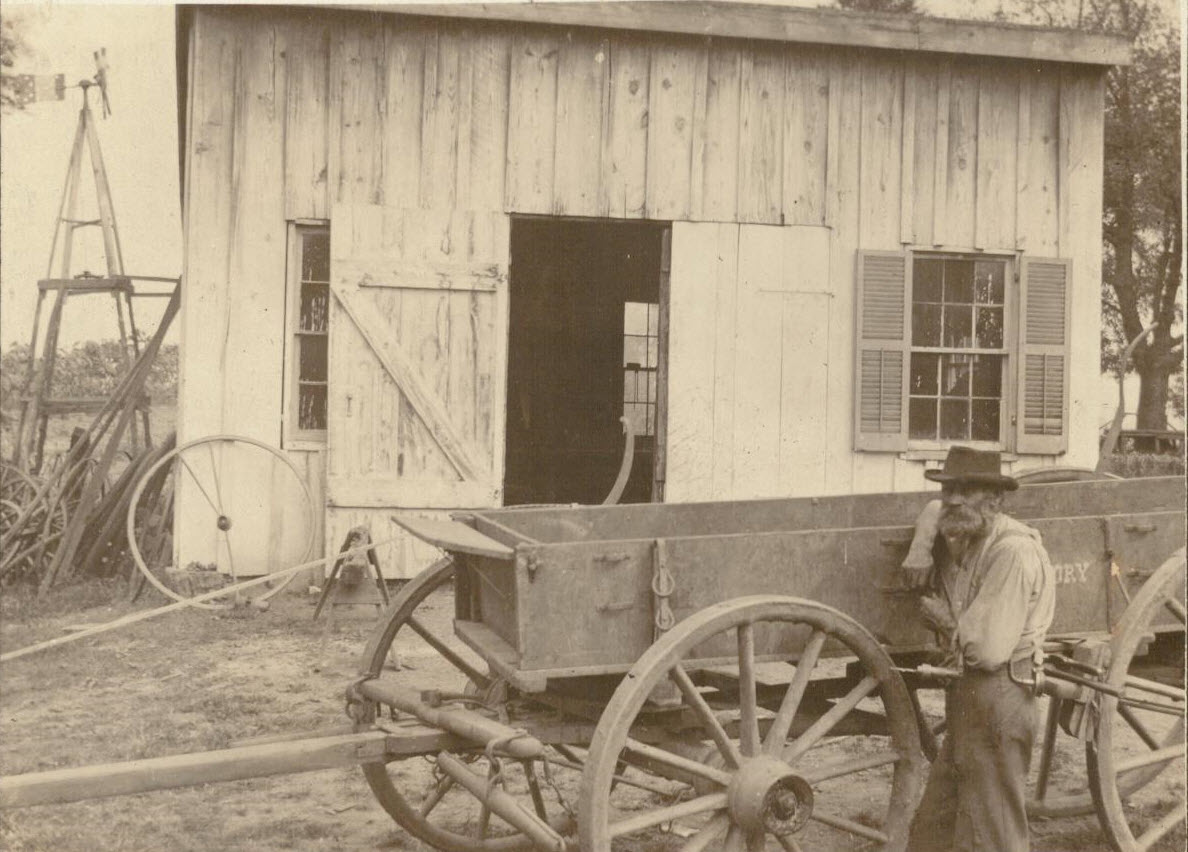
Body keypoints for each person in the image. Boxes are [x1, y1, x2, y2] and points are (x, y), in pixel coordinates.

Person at [904, 445, 1055, 852]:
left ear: (995, 500)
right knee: (933, 828)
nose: (953, 498)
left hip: (1000, 698)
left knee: (995, 832)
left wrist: (945, 622)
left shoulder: (1012, 553)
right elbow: (934, 509)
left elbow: (987, 651)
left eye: (966, 491)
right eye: (950, 488)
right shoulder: (972, 534)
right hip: (970, 699)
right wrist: (920, 544)